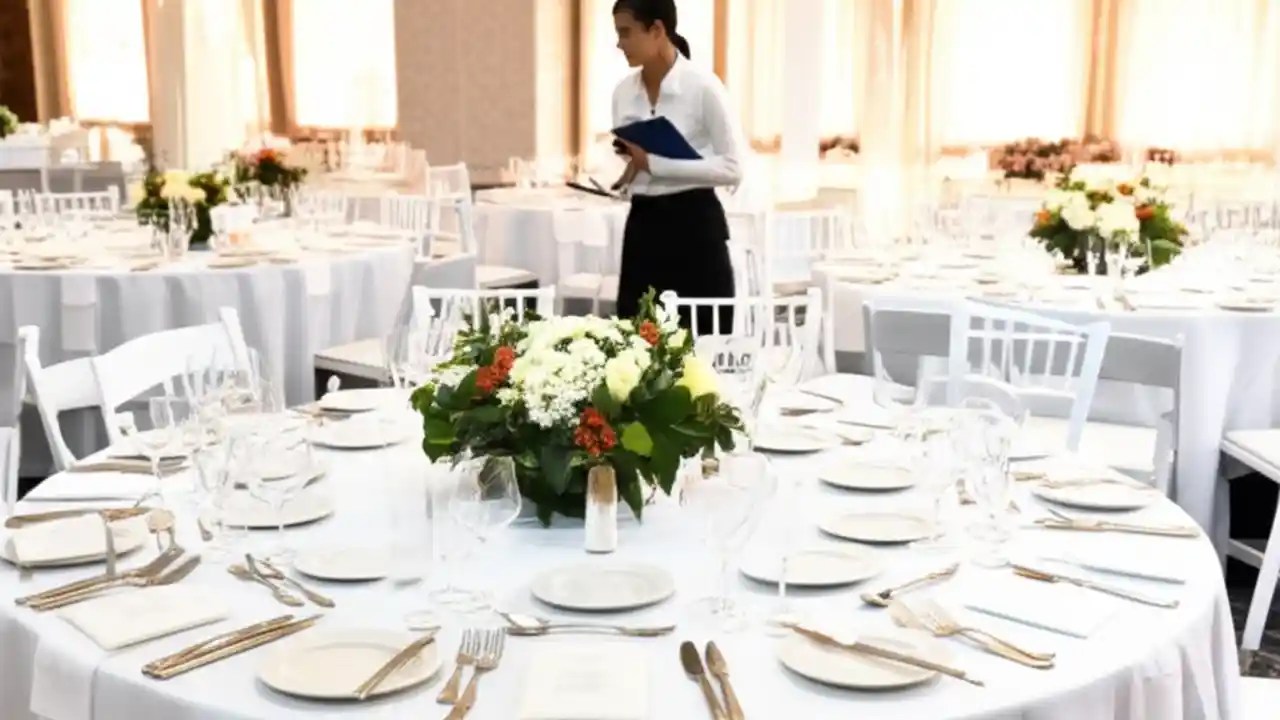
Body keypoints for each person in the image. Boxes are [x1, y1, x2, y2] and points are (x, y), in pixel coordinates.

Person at [610, 0, 745, 331]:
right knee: (635, 334)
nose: (619, 43)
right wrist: (633, 167)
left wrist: (655, 164)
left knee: (705, 333)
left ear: (657, 30)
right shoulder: (623, 93)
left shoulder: (703, 86)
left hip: (694, 222)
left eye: (626, 33)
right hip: (643, 223)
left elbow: (733, 168)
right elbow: (637, 159)